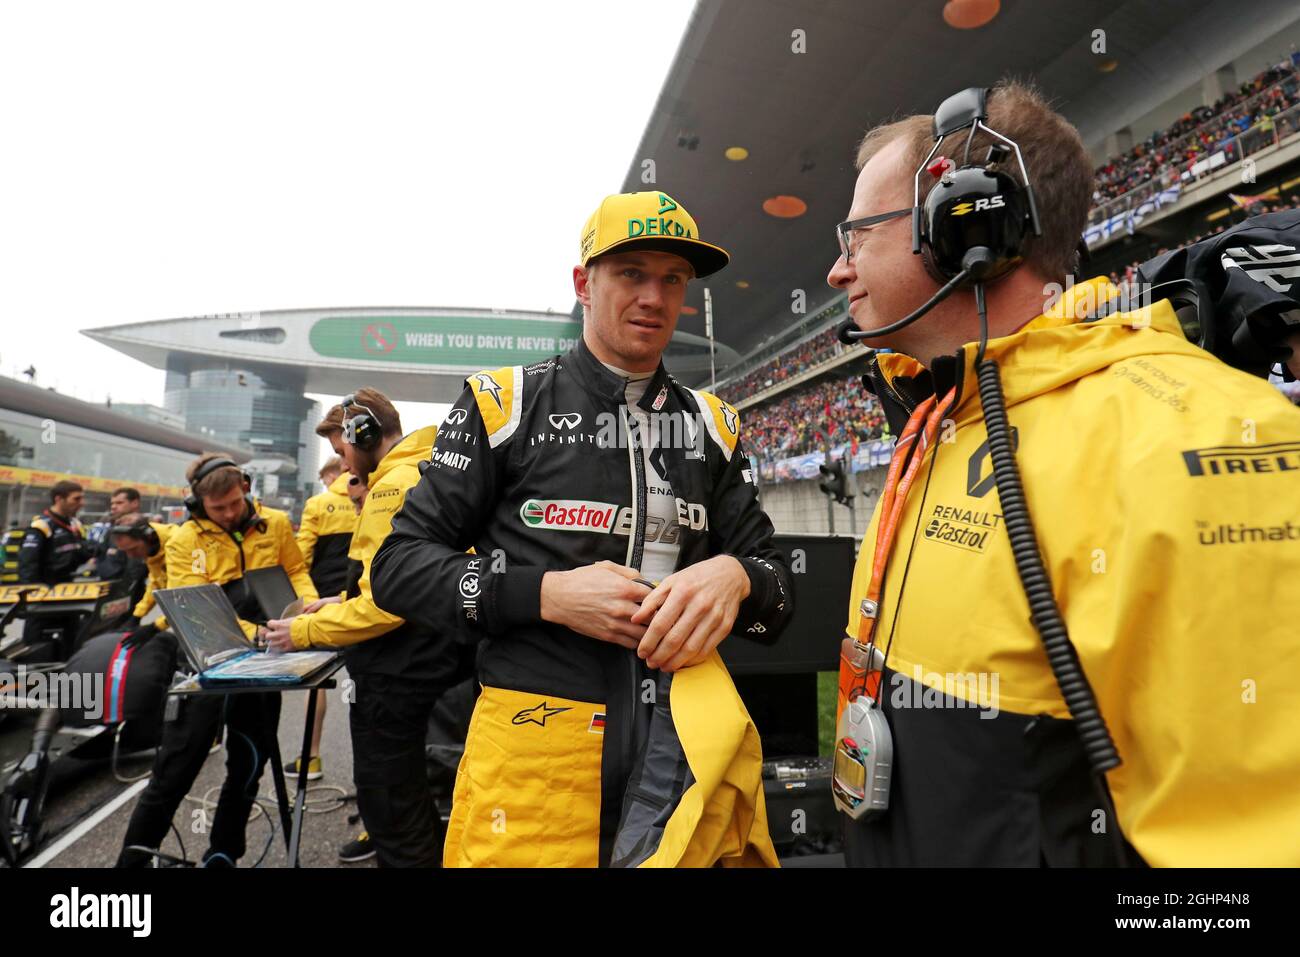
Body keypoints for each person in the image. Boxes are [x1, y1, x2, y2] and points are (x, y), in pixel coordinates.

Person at [826, 81, 1300, 866]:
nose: (838, 272)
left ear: (962, 223)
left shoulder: (1189, 436)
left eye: (856, 236)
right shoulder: (938, 418)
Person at [371, 190, 794, 867]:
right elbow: (396, 569)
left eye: (672, 279)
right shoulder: (503, 402)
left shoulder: (715, 425)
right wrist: (547, 594)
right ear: (583, 284)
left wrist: (737, 574)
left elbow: (777, 597)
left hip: (679, 753)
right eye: (632, 273)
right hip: (533, 767)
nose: (654, 296)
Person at [265, 389, 452, 867]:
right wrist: (341, 602)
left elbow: (394, 602)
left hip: (400, 672)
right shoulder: (417, 472)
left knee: (392, 808)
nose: (345, 465)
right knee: (408, 802)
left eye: (341, 450)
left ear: (362, 433)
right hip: (420, 663)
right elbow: (391, 579)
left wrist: (303, 633)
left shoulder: (394, 485)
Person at [116, 454, 317, 867]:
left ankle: (223, 855)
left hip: (265, 661)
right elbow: (193, 610)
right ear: (198, 503)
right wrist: (260, 632)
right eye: (217, 508)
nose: (227, 513)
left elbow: (295, 569)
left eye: (233, 504)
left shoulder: (275, 523)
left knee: (249, 763)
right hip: (203, 662)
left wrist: (308, 609)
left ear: (245, 488)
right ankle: (131, 863)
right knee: (173, 773)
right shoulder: (184, 539)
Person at [287, 455, 358, 782]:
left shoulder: (318, 504)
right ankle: (366, 770)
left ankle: (311, 758)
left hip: (321, 605)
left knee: (316, 685)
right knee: (363, 686)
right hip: (360, 602)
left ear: (334, 473)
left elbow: (300, 559)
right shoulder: (371, 496)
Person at [18, 480, 92, 655]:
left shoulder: (75, 526)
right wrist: (32, 600)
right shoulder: (41, 527)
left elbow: (83, 553)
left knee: (71, 646)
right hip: (43, 599)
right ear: (59, 499)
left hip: (69, 595)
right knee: (35, 650)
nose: (82, 503)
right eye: (77, 499)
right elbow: (28, 566)